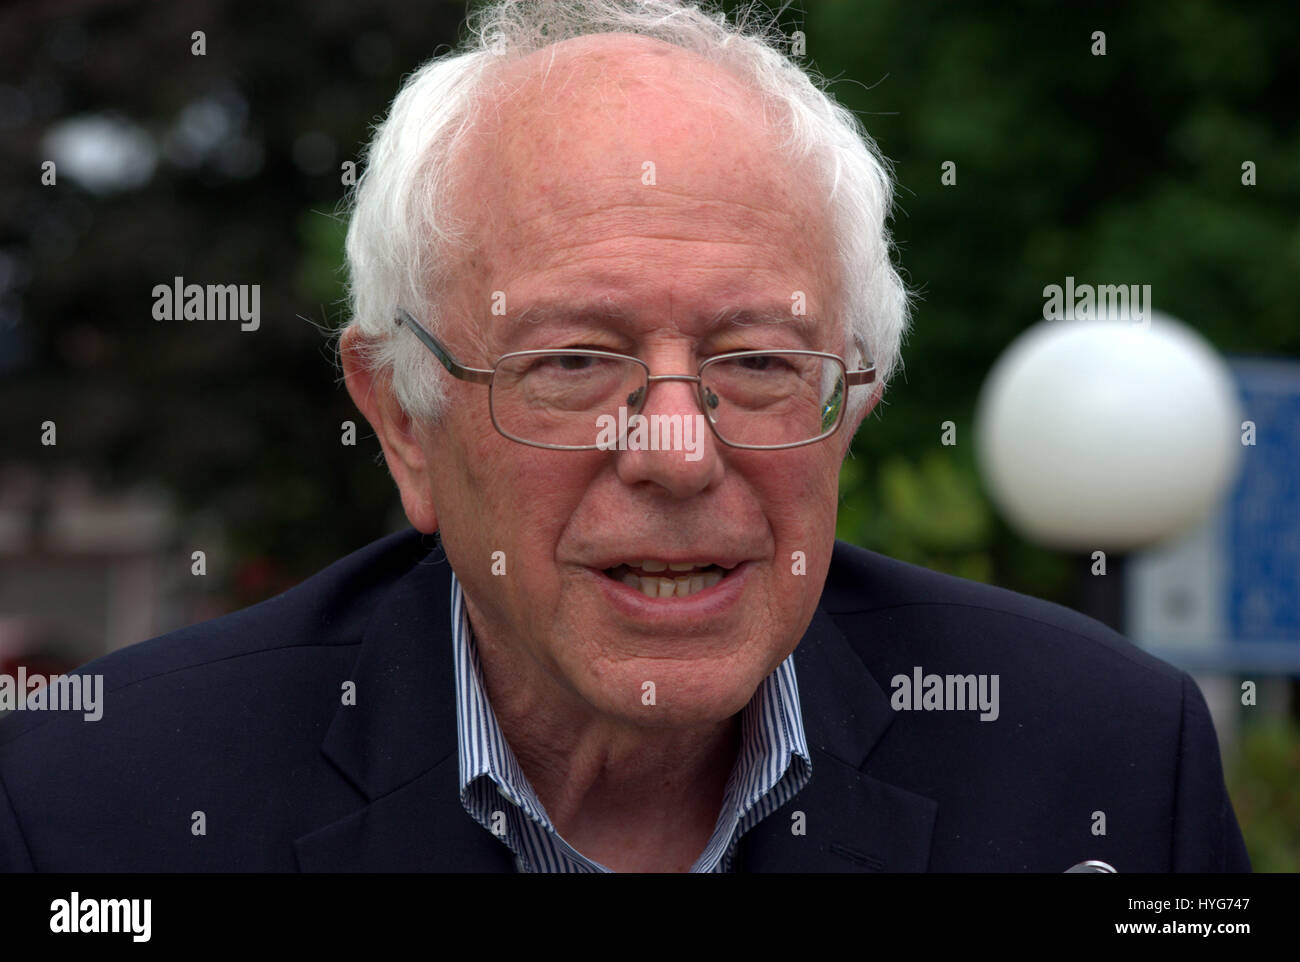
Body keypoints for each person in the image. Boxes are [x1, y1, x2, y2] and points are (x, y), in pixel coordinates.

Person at [0, 0, 1248, 872]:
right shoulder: (99, 802)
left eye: (758, 362)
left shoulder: (1104, 758)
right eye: (572, 362)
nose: (674, 450)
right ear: (402, 420)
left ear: (853, 403)